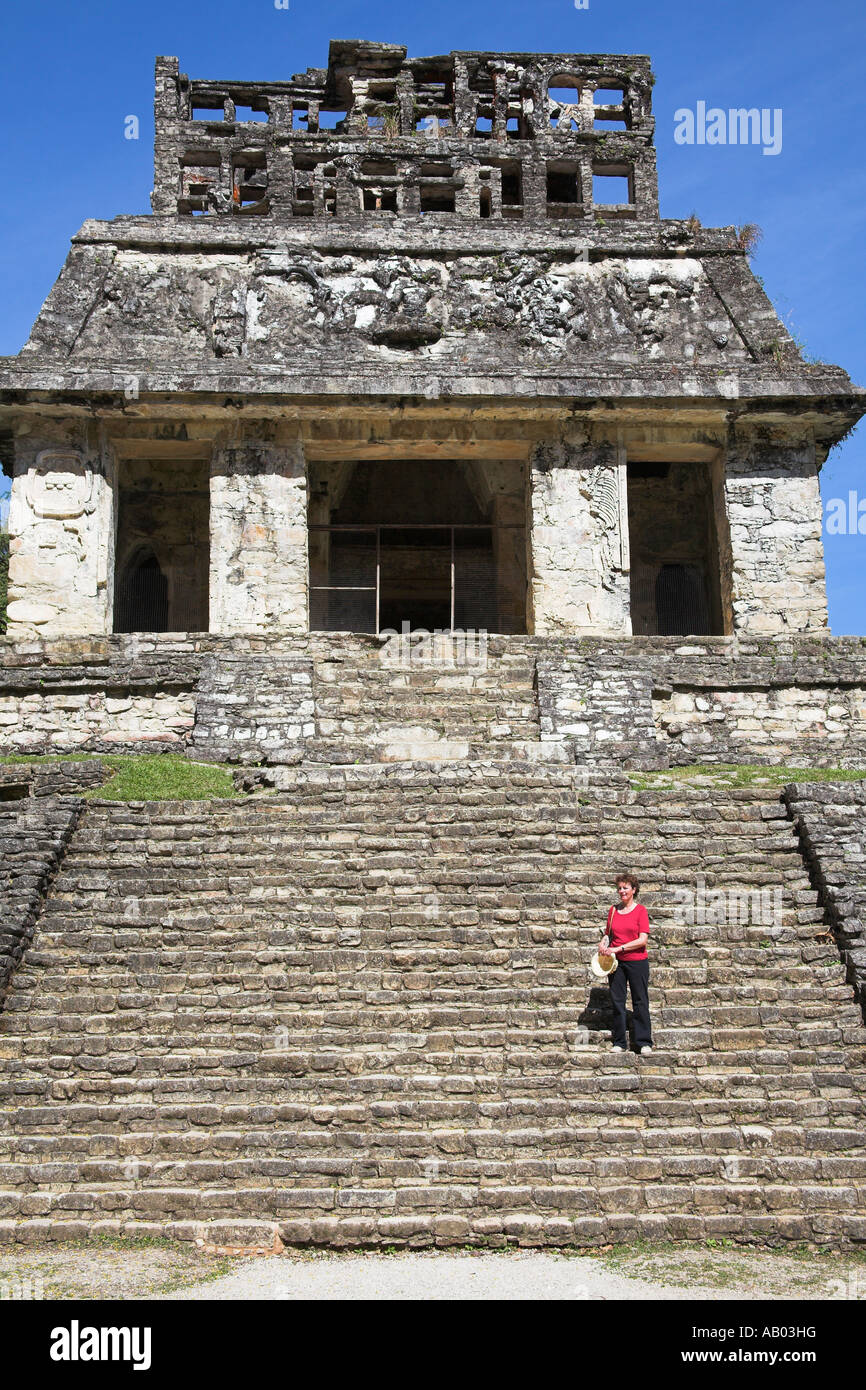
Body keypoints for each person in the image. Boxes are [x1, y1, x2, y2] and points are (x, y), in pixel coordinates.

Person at [599, 872, 653, 1055]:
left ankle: (643, 1041)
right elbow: (608, 934)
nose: (622, 891)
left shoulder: (641, 911)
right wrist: (603, 943)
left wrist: (619, 949)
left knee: (640, 1001)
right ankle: (620, 1042)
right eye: (619, 888)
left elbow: (642, 940)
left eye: (625, 888)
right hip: (617, 964)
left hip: (637, 962)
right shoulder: (613, 911)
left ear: (633, 890)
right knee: (617, 1001)